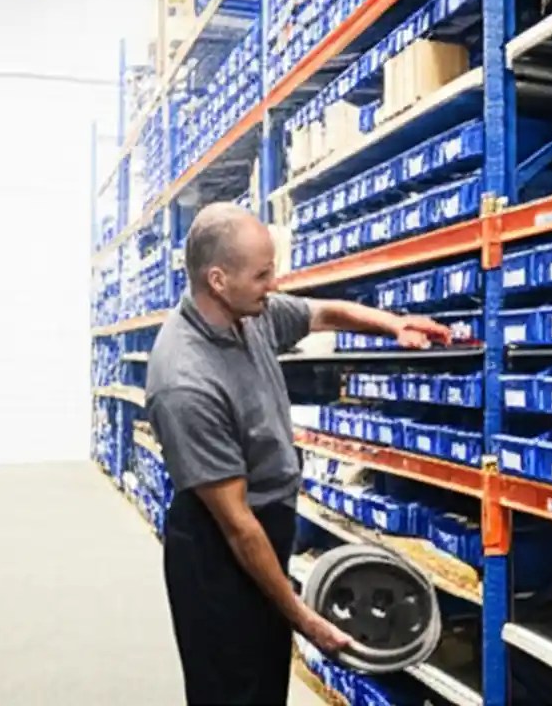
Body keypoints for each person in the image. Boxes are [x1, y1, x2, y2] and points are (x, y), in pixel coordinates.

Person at [145, 202, 453, 705]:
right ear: (218, 280)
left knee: (265, 680)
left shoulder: (251, 315)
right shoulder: (185, 382)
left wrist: (395, 325)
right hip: (218, 549)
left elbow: (323, 312)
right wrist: (304, 617)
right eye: (263, 273)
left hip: (265, 525)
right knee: (230, 688)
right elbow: (237, 526)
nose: (274, 283)